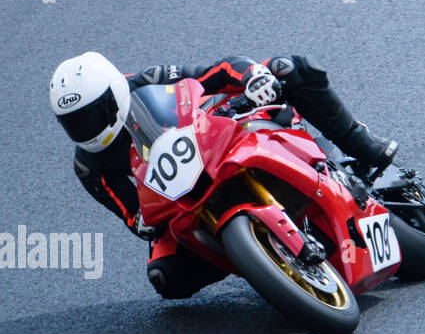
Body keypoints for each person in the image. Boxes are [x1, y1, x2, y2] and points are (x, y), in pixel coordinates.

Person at [49, 52, 397, 299]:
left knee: (288, 68)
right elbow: (130, 213)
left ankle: (361, 144)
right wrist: (140, 221)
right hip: (179, 197)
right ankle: (260, 262)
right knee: (166, 279)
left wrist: (251, 78)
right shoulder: (89, 165)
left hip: (218, 139)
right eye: (74, 123)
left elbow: (215, 70)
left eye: (93, 115)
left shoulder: (147, 81)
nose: (86, 129)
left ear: (113, 94)